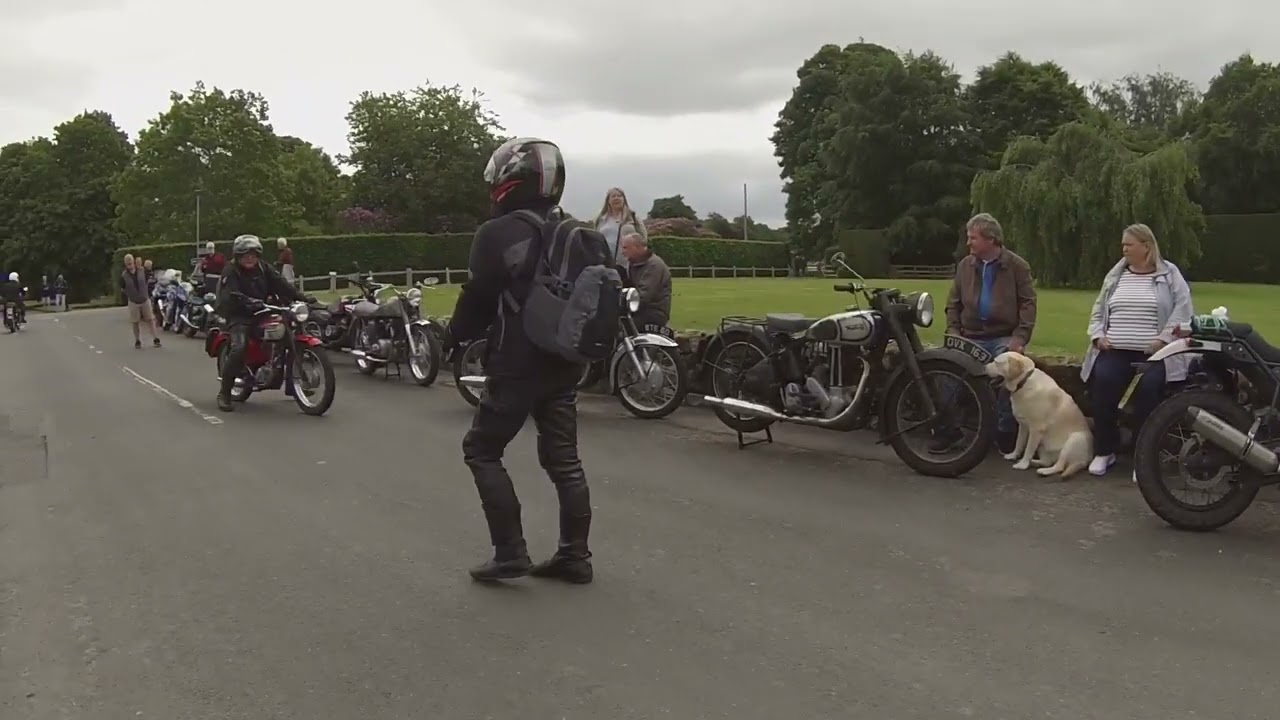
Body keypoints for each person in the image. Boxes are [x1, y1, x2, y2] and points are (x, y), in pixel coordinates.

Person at [446, 136, 595, 585]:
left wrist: (453, 338)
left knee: (483, 449)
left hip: (516, 362)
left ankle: (510, 552)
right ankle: (575, 556)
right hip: (565, 361)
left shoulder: (498, 232)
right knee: (564, 460)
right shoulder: (573, 230)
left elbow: (478, 297)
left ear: (511, 178)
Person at [1080, 223, 1193, 476]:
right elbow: (1099, 309)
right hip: (1115, 349)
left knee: (1149, 390)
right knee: (1104, 383)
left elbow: (1183, 310)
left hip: (1154, 353)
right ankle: (1104, 451)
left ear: (1146, 246)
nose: (1124, 249)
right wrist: (1098, 336)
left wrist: (1163, 339)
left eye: (1128, 245)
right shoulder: (1115, 275)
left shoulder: (1170, 274)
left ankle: (1142, 458)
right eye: (1123, 245)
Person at [938, 212, 1038, 454]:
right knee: (945, 372)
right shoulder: (964, 266)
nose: (968, 243)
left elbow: (1028, 303)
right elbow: (953, 304)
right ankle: (949, 431)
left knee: (1010, 375)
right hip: (969, 336)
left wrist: (1019, 338)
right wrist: (954, 332)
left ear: (991, 240)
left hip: (1002, 336)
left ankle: (1004, 434)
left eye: (973, 238)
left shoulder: (1017, 266)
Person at [214, 234, 313, 412]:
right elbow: (230, 294)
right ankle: (224, 394)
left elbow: (280, 283)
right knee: (239, 348)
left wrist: (301, 297)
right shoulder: (231, 270)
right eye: (245, 254)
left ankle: (292, 385)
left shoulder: (263, 267)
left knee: (286, 332)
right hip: (239, 314)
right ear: (238, 256)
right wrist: (247, 300)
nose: (250, 258)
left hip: (262, 310)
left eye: (253, 254)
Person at [620, 231, 672, 329]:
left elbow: (644, 296)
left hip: (653, 312)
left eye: (625, 248)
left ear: (637, 247)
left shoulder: (655, 265)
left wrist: (619, 304)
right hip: (637, 309)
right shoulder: (631, 264)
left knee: (618, 327)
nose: (622, 252)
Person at [594, 187, 646, 272]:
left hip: (627, 263)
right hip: (605, 262)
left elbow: (643, 238)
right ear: (608, 200)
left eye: (619, 196)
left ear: (624, 199)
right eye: (613, 196)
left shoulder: (632, 217)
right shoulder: (600, 219)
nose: (616, 198)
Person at [120, 255, 161, 349]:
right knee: (135, 322)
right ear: (125, 264)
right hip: (133, 301)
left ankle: (155, 338)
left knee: (150, 319)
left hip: (145, 299)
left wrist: (148, 266)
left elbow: (149, 276)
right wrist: (129, 295)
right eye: (127, 263)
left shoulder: (142, 271)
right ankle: (137, 340)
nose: (129, 265)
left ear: (133, 262)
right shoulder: (124, 275)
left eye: (130, 262)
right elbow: (122, 288)